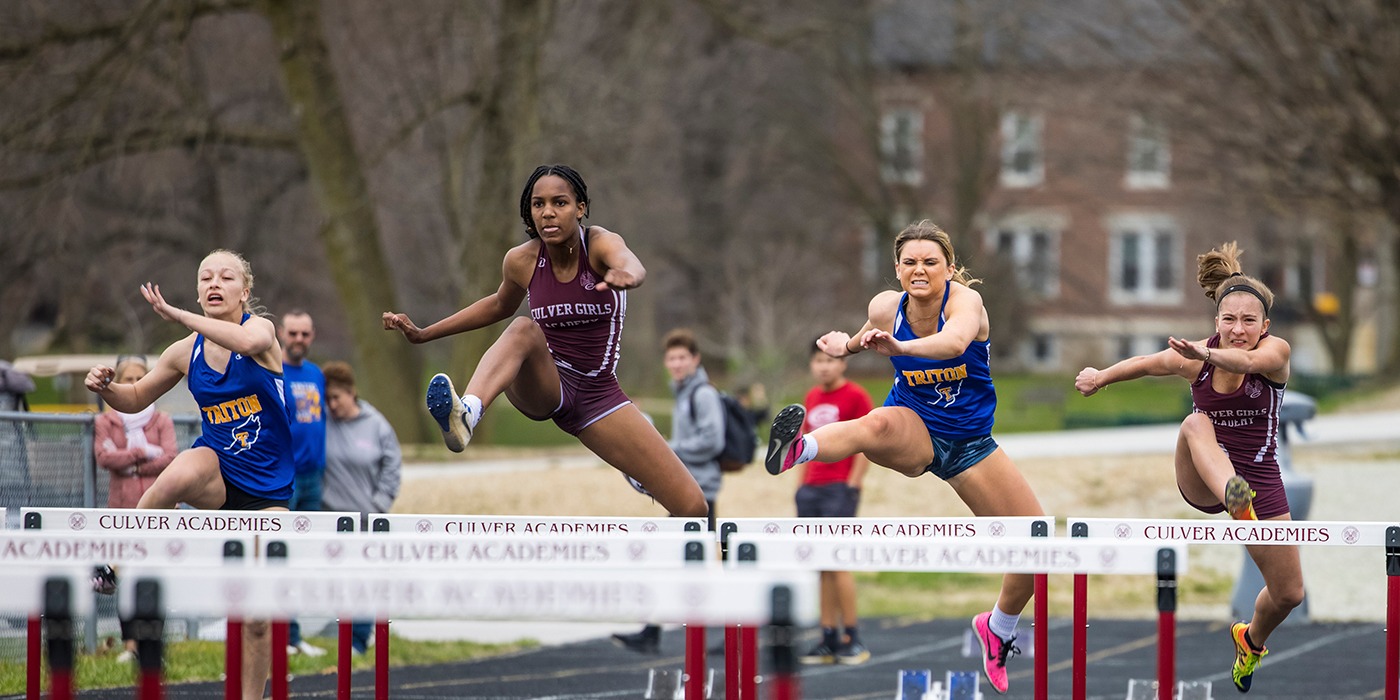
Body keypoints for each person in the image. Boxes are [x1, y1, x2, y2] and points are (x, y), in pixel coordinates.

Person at [763, 220, 1045, 694]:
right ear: (897, 269)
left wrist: (900, 347)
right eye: (910, 262)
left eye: (930, 262)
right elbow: (866, 333)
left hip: (972, 442)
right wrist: (846, 347)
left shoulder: (965, 303)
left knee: (1036, 548)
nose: (920, 270)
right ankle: (798, 449)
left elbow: (954, 343)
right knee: (874, 424)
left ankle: (998, 628)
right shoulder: (883, 306)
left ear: (949, 268)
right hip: (914, 426)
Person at [382, 164, 707, 524]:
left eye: (560, 202)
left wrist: (628, 273)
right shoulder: (521, 260)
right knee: (523, 328)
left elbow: (628, 260)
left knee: (693, 507)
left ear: (580, 208)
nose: (548, 212)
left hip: (598, 396)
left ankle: (641, 483)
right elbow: (497, 305)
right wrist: (424, 332)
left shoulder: (599, 244)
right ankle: (467, 414)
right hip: (545, 383)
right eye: (538, 204)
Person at [1074, 241, 1301, 694]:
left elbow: (1249, 361)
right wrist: (1100, 376)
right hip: (1203, 476)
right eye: (1229, 320)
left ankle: (1249, 640)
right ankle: (1233, 497)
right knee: (1196, 421)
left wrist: (1208, 354)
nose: (1238, 330)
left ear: (1265, 326)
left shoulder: (1274, 354)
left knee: (1289, 594)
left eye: (1249, 321)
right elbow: (1145, 363)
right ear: (1216, 321)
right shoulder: (1192, 357)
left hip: (1261, 482)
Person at [85, 249, 293, 700]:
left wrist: (178, 315)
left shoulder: (261, 331)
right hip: (218, 471)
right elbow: (136, 395)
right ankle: (117, 563)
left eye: (226, 277)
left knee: (257, 620)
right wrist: (106, 388)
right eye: (205, 277)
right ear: (199, 290)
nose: (214, 284)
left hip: (268, 492)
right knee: (179, 473)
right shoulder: (185, 352)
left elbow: (245, 344)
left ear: (245, 290)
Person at [612, 328, 725, 654]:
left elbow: (712, 441)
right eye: (671, 358)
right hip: (687, 491)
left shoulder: (702, 394)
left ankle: (661, 633)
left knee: (686, 565)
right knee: (688, 565)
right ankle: (657, 632)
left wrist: (665, 450)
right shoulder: (683, 392)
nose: (676, 363)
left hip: (699, 493)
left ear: (695, 360)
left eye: (682, 357)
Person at [789, 339, 873, 666]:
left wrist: (853, 483)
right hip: (811, 489)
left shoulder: (855, 396)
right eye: (818, 361)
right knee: (820, 564)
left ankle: (852, 636)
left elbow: (868, 441)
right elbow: (802, 446)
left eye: (829, 360)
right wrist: (800, 486)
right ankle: (827, 637)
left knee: (838, 561)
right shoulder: (811, 398)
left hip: (840, 488)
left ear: (842, 363)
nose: (823, 366)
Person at [92, 354, 177, 664]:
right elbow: (104, 457)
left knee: (155, 577)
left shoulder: (162, 420)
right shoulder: (106, 420)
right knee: (122, 575)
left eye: (140, 378)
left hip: (160, 509)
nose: (133, 384)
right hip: (123, 506)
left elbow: (169, 458)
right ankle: (130, 645)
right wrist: (142, 454)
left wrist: (131, 460)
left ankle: (153, 643)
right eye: (127, 379)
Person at [320, 360, 401, 655]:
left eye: (336, 398)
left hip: (368, 520)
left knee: (366, 582)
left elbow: (393, 465)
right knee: (339, 582)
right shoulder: (323, 422)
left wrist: (379, 505)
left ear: (351, 393)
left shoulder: (376, 424)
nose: (332, 405)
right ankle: (340, 636)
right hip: (331, 519)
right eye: (327, 399)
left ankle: (359, 641)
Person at [277, 309, 328, 657]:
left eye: (304, 334)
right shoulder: (272, 370)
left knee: (301, 558)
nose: (298, 340)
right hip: (282, 477)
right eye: (292, 333)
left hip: (313, 478)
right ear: (281, 333)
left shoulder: (315, 374)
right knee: (279, 556)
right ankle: (282, 634)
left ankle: (294, 635)